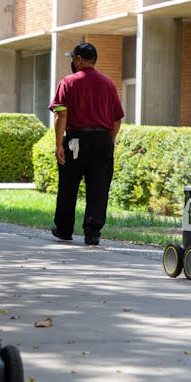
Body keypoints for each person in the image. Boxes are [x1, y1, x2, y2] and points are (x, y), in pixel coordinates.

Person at [48, 42, 124, 246]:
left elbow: (61, 114)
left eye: (73, 58)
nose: (73, 62)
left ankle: (64, 229)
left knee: (68, 185)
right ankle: (92, 232)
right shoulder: (108, 84)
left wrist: (58, 144)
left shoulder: (68, 82)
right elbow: (117, 118)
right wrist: (110, 140)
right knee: (99, 188)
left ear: (79, 60)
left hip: (75, 140)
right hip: (102, 140)